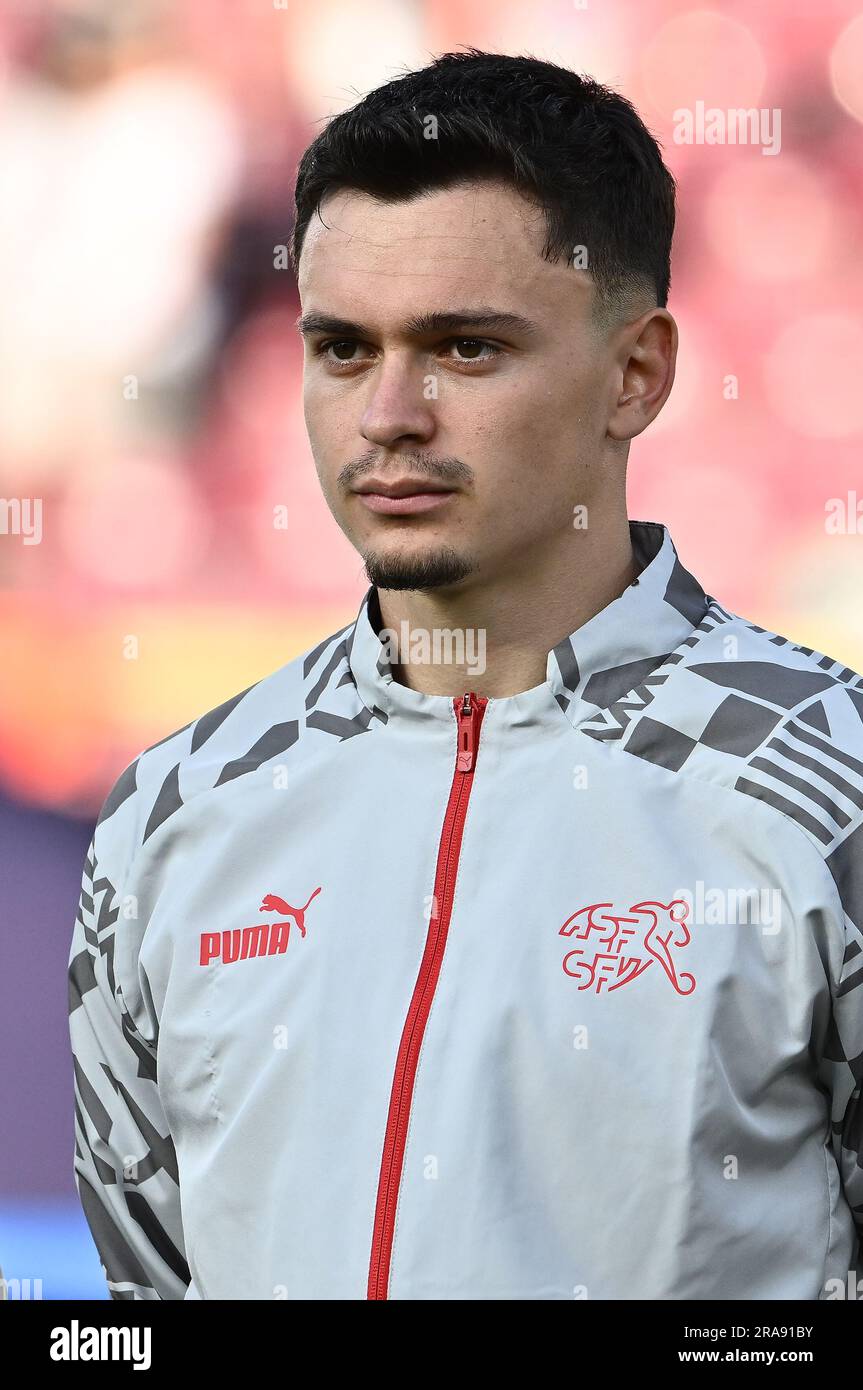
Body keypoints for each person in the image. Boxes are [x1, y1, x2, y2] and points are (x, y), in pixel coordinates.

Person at [68, 48, 862, 1301]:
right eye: (339, 350)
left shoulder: (828, 788)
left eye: (465, 349)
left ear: (635, 374)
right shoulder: (176, 810)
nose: (389, 410)